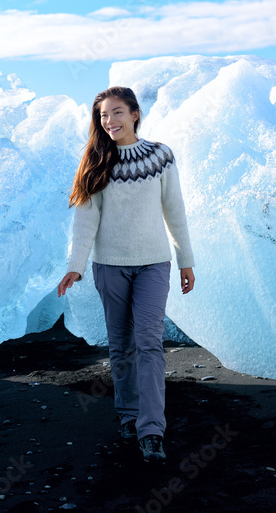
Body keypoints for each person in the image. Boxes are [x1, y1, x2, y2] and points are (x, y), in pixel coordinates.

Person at [57, 86, 195, 464]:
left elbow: (175, 210)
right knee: (121, 346)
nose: (110, 121)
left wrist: (186, 260)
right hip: (110, 266)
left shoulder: (160, 156)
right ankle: (128, 414)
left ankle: (152, 430)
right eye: (103, 115)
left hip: (153, 263)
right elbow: (86, 220)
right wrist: (75, 266)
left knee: (149, 343)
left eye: (117, 112)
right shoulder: (95, 161)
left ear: (135, 113)